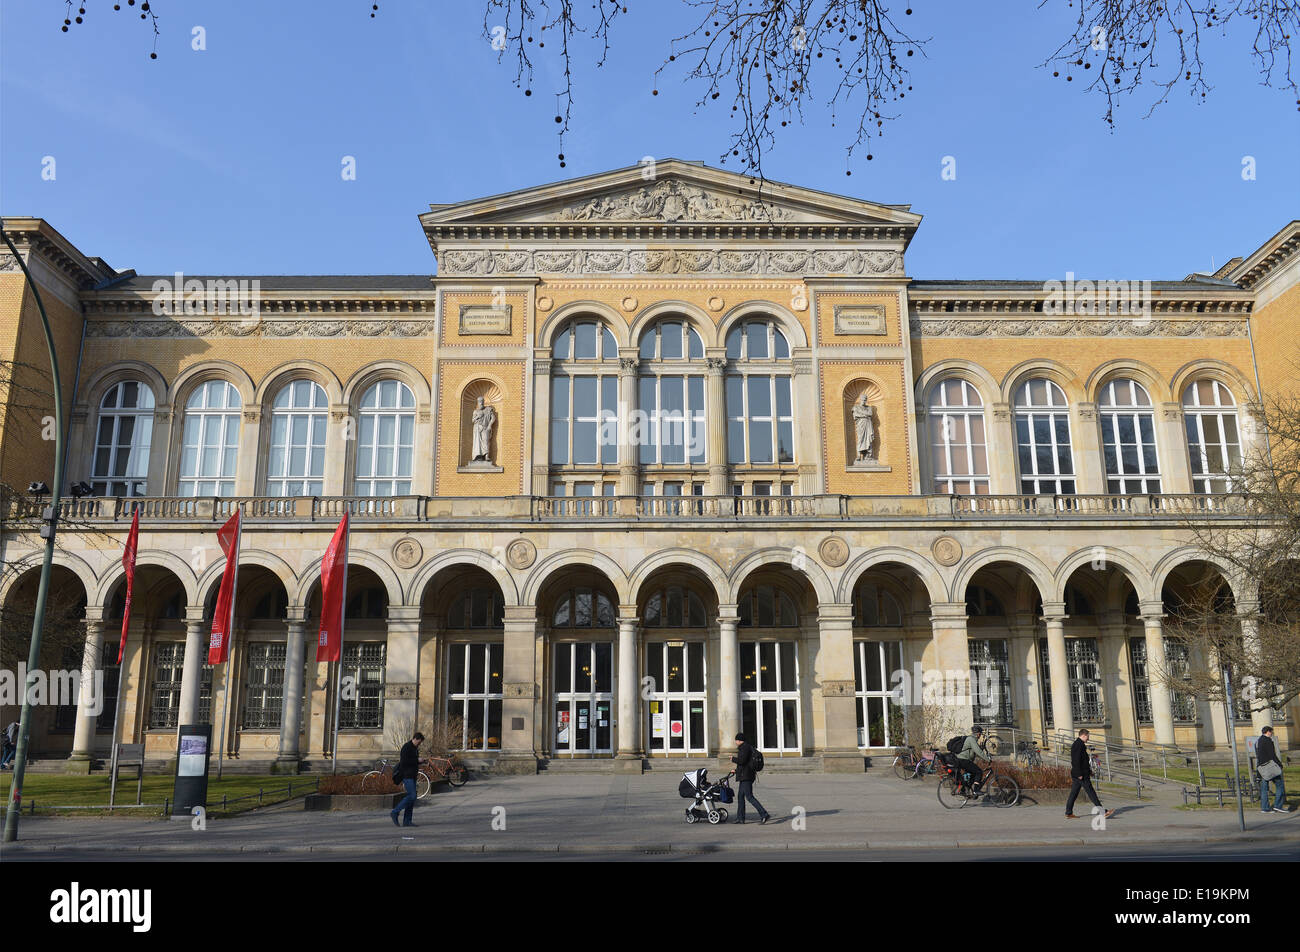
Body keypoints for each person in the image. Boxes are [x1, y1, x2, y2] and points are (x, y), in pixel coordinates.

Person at [1065, 728, 1114, 820]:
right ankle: (1103, 812)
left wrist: (1089, 771)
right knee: (1091, 793)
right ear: (1083, 735)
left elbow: (1083, 760)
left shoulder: (1080, 744)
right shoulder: (1078, 745)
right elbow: (1075, 761)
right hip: (1081, 775)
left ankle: (1068, 812)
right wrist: (1080, 773)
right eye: (1088, 736)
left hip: (1080, 773)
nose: (1088, 738)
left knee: (1074, 793)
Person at [730, 732, 770, 824]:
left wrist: (733, 759)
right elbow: (745, 764)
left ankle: (764, 814)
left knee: (749, 797)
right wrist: (735, 771)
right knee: (740, 796)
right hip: (745, 775)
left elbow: (742, 761)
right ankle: (740, 818)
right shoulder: (745, 747)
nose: (735, 742)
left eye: (736, 740)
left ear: (740, 741)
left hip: (746, 777)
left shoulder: (744, 748)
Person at [390, 731, 424, 828]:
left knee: (412, 799)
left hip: (412, 775)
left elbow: (413, 761)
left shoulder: (415, 748)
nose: (419, 744)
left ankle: (407, 821)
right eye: (419, 742)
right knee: (412, 796)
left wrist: (420, 761)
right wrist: (417, 760)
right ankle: (395, 812)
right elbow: (404, 762)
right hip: (407, 775)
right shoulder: (406, 747)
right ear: (415, 739)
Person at [1256, 725, 1288, 813]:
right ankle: (1278, 805)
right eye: (1271, 732)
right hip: (1270, 767)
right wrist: (1279, 764)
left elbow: (1259, 756)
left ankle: (1265, 808)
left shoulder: (1259, 740)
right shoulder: (1268, 741)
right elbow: (1272, 755)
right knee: (1280, 785)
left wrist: (1258, 772)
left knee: (1264, 789)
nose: (1272, 734)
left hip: (1262, 768)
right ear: (1268, 732)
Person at [955, 726, 990, 793]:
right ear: (978, 734)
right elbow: (978, 751)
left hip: (962, 760)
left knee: (973, 775)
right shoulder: (971, 739)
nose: (980, 736)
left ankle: (963, 790)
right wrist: (987, 759)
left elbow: (974, 752)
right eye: (980, 734)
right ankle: (976, 790)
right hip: (964, 760)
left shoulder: (971, 739)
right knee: (979, 772)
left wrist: (983, 758)